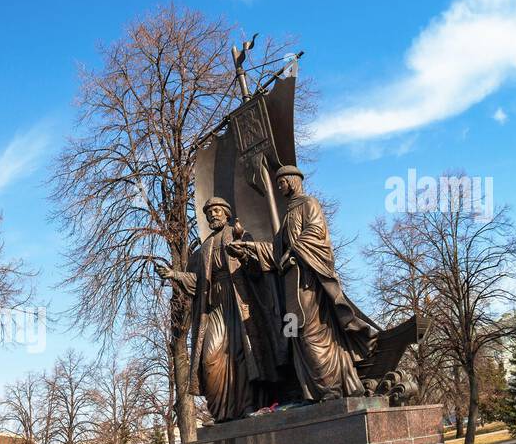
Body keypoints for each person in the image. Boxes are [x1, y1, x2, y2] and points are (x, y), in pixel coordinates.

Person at [229, 166, 376, 401]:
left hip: (308, 281)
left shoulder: (309, 204)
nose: (279, 187)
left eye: (282, 182)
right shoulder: (288, 215)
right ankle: (317, 391)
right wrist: (249, 247)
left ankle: (332, 389)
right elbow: (276, 252)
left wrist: (295, 253)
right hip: (291, 285)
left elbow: (317, 232)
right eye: (277, 183)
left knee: (311, 332)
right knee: (297, 334)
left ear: (293, 181)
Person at [158, 196, 286, 422]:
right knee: (209, 358)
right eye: (209, 212)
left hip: (239, 302)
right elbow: (197, 282)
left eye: (217, 210)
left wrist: (245, 256)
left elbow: (258, 270)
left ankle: (247, 406)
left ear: (226, 214)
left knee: (243, 357)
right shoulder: (205, 246)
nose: (213, 215)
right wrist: (174, 274)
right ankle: (222, 412)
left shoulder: (239, 235)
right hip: (215, 306)